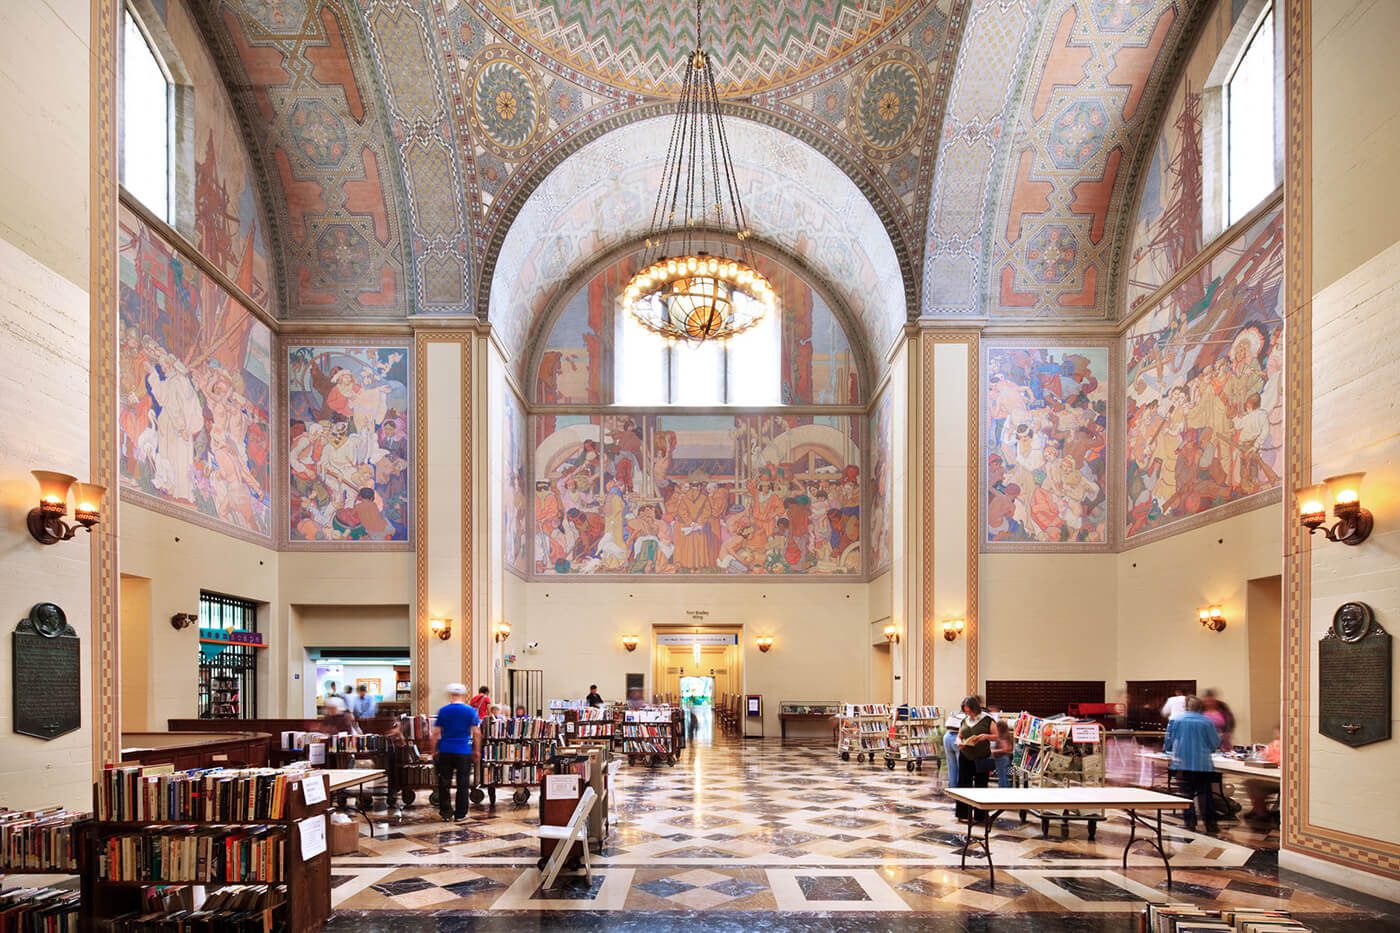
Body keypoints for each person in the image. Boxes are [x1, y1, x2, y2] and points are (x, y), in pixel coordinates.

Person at [1164, 696, 1221, 833]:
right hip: (1203, 765)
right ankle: (1211, 825)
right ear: (1200, 707)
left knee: (1185, 795)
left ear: (1186, 707)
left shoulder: (1175, 720)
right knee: (1205, 795)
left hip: (1182, 764)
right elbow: (1214, 743)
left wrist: (1169, 751)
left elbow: (1168, 742)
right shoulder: (1207, 722)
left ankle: (1189, 823)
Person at [433, 683, 482, 824]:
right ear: (464, 695)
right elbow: (477, 733)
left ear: (450, 695)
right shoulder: (470, 711)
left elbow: (435, 733)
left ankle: (446, 812)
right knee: (463, 783)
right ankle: (460, 813)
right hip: (463, 751)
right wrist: (476, 750)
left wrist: (434, 750)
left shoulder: (443, 711)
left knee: (444, 783)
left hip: (445, 750)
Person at [955, 696, 994, 821]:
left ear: (975, 708)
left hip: (981, 757)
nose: (968, 713)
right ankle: (963, 814)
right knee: (963, 784)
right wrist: (959, 742)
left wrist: (986, 736)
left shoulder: (987, 720)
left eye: (969, 711)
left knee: (981, 785)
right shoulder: (965, 720)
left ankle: (980, 815)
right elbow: (959, 735)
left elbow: (997, 736)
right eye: (966, 711)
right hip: (965, 756)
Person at [1244, 727, 1282, 822]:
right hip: (1272, 775)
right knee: (1251, 782)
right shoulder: (1275, 744)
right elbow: (1263, 755)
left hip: (1279, 778)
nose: (1275, 735)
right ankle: (1259, 809)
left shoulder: (1281, 745)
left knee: (1254, 784)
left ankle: (1261, 812)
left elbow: (1274, 759)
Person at [991, 718, 1015, 788]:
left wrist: (993, 751)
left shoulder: (1002, 737)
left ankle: (1003, 790)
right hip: (1004, 759)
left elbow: (1006, 749)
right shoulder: (1007, 735)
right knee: (1004, 776)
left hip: (1002, 759)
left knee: (1002, 777)